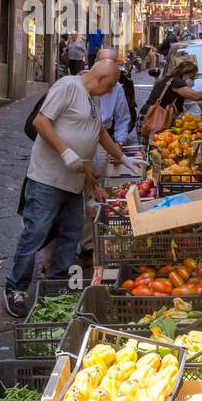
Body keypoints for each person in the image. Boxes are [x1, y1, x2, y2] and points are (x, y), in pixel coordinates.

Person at [5, 60, 135, 315]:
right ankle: (15, 287)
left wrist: (122, 158)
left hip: (74, 182)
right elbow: (41, 122)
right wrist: (65, 152)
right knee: (35, 234)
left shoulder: (92, 98)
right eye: (109, 86)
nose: (110, 92)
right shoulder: (68, 86)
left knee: (71, 234)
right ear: (101, 77)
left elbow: (99, 134)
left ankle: (55, 285)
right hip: (47, 179)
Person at [77, 48, 134, 258]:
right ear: (99, 69)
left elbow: (121, 117)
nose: (111, 86)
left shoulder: (115, 87)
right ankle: (78, 236)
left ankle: (89, 241)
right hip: (80, 143)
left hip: (101, 141)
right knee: (78, 190)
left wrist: (118, 146)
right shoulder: (79, 86)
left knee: (95, 189)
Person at [137, 54, 202, 132]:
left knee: (153, 149)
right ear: (185, 74)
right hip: (152, 118)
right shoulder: (176, 82)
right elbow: (195, 96)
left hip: (151, 117)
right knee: (151, 150)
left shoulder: (168, 79)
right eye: (192, 77)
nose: (193, 80)